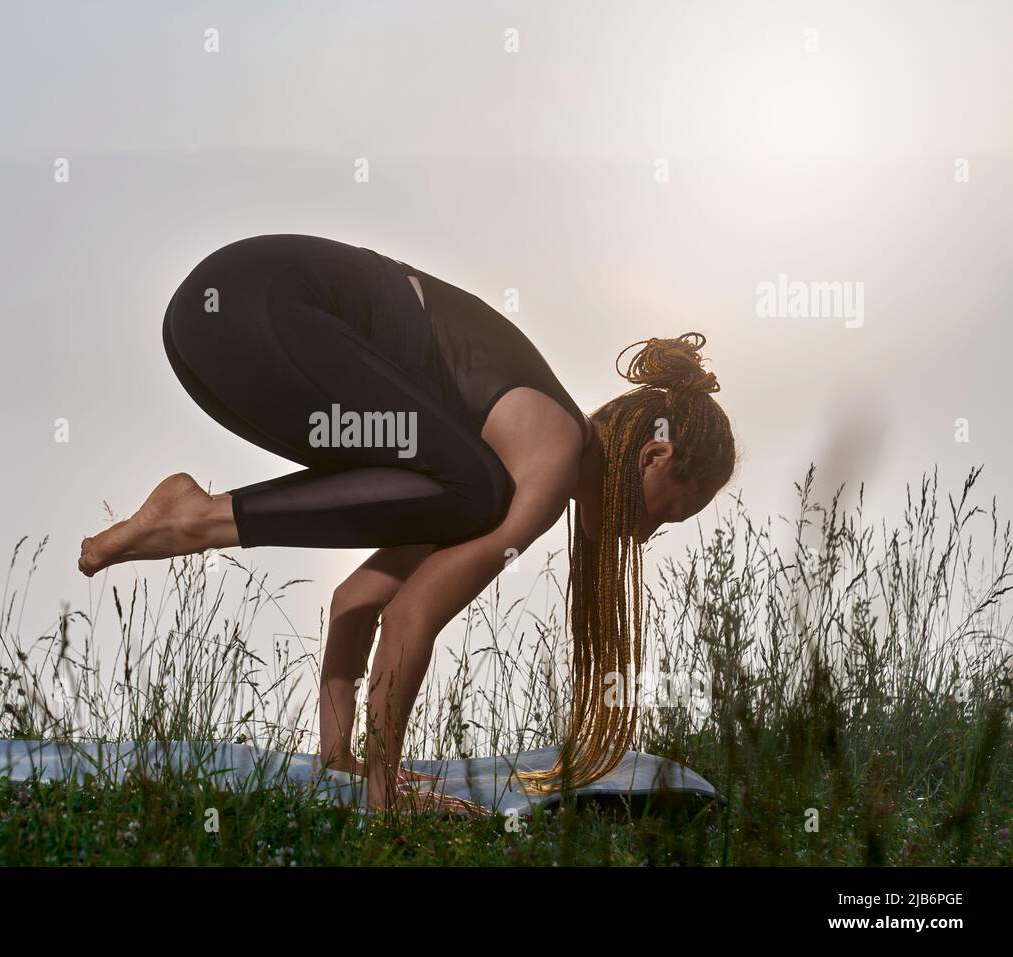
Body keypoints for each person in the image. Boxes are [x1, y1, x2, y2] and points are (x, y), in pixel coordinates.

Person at [78, 233, 737, 816]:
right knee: (473, 488)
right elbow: (411, 615)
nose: (646, 535)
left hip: (215, 324)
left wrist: (339, 752)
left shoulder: (485, 467)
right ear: (655, 455)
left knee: (469, 487)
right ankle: (196, 516)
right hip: (254, 309)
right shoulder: (551, 455)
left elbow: (361, 599)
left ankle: (198, 517)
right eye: (667, 509)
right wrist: (386, 787)